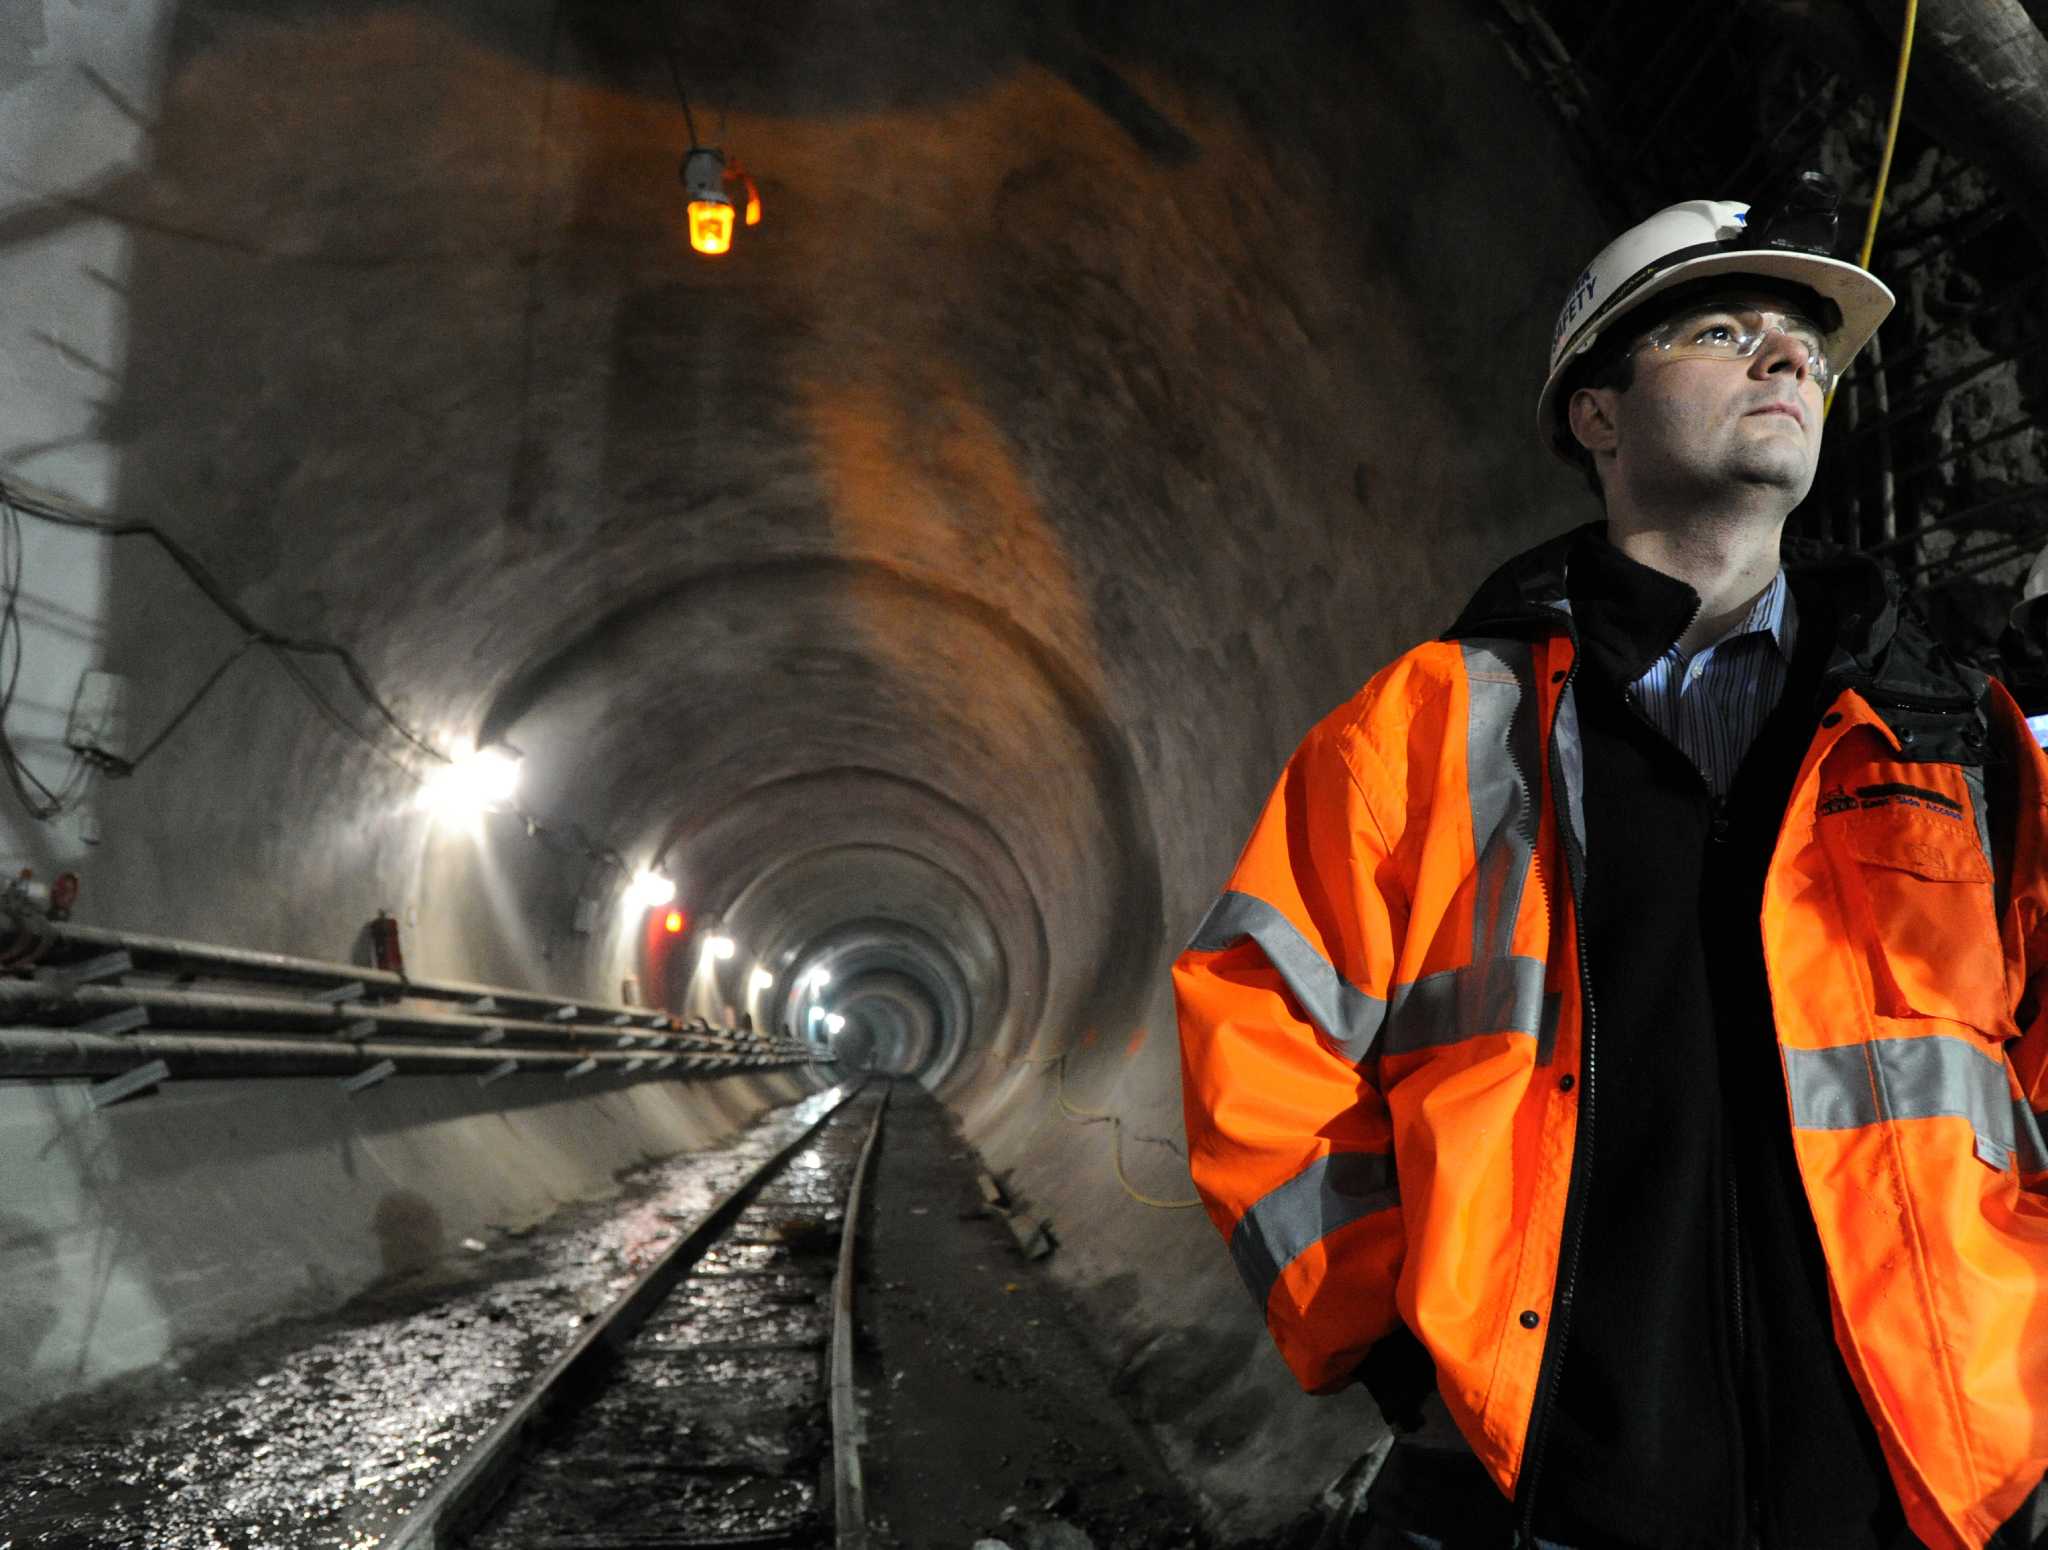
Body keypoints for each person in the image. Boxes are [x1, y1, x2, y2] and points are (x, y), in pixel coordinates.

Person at [1172, 180, 2048, 1550]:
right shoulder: (1429, 727)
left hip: (1922, 1491)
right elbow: (1254, 1030)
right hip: (1571, 1496)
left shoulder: (1946, 729)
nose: (1786, 359)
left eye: (1805, 347)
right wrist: (1404, 1351)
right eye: (1724, 330)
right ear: (1597, 414)